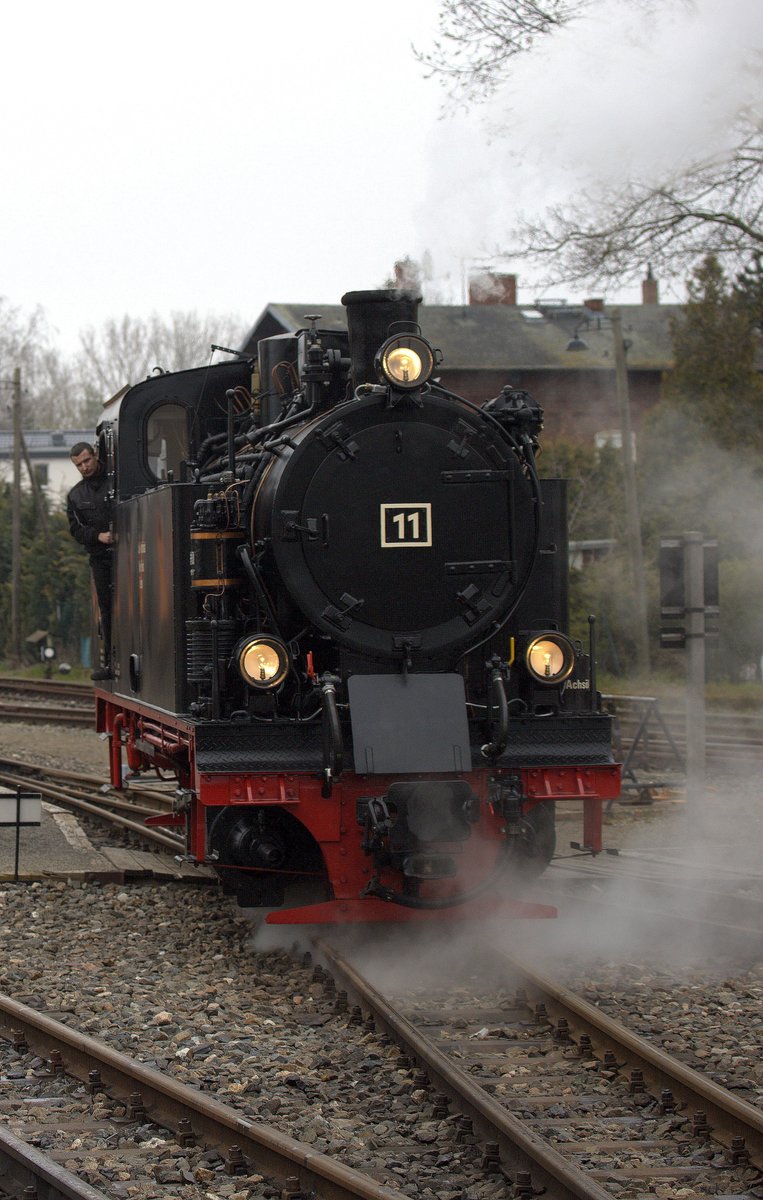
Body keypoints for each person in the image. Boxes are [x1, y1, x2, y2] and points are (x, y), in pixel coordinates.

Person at [67, 442, 114, 681]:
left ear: (95, 456)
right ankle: (111, 663)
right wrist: (98, 536)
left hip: (125, 551)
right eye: (79, 465)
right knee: (107, 609)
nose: (84, 467)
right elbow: (76, 530)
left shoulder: (116, 482)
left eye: (86, 461)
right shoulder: (75, 495)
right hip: (100, 557)